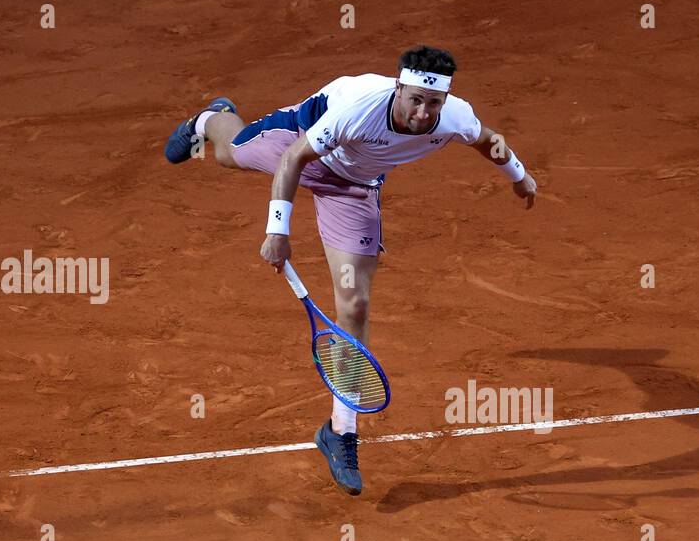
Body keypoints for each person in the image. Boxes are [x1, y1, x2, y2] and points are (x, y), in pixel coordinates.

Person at [164, 45, 537, 495]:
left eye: (432, 103)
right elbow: (293, 161)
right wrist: (278, 232)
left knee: (355, 302)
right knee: (228, 152)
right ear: (399, 88)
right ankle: (210, 118)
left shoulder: (454, 116)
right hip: (299, 146)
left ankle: (341, 431)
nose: (422, 113)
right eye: (415, 99)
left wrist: (519, 176)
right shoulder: (359, 111)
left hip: (355, 189)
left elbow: (487, 141)